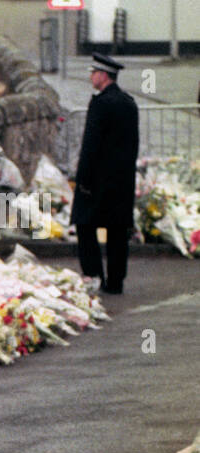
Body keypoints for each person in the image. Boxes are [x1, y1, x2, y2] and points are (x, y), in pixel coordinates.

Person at [71, 53, 139, 294]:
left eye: (93, 73)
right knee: (118, 230)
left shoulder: (100, 104)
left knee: (84, 224)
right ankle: (116, 281)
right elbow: (133, 144)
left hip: (97, 180)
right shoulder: (129, 102)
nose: (91, 77)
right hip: (121, 180)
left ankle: (93, 274)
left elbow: (91, 145)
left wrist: (83, 180)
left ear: (102, 75)